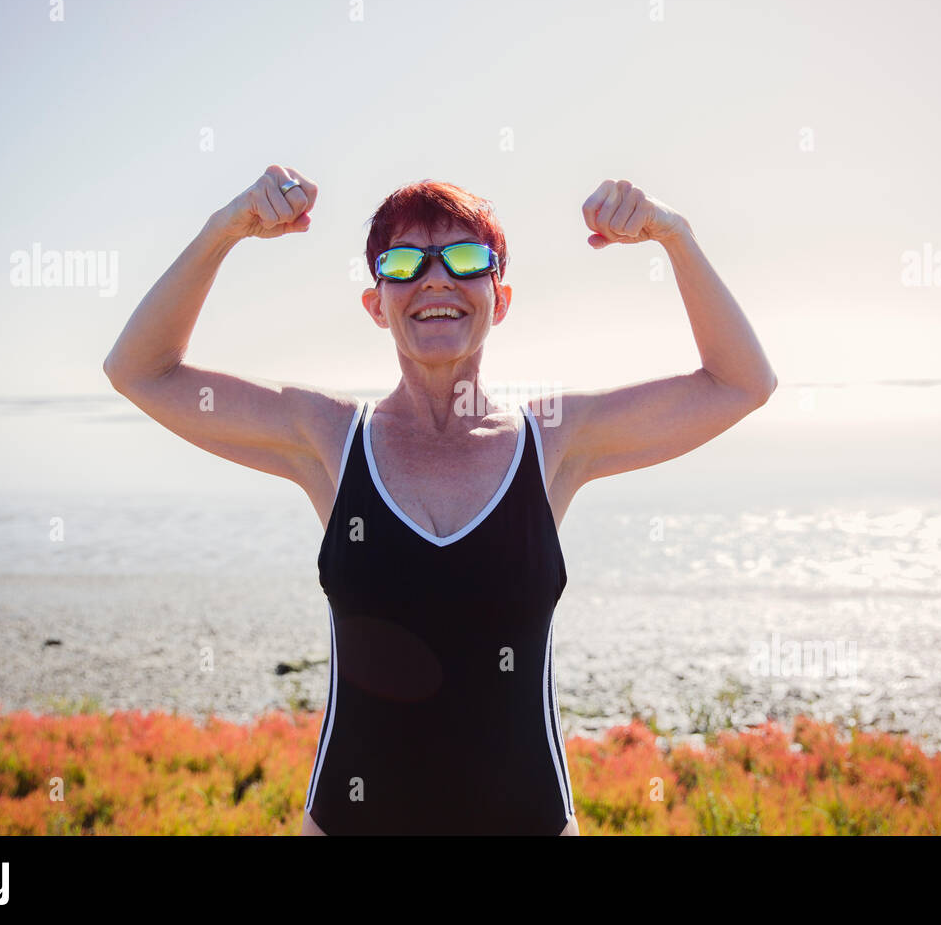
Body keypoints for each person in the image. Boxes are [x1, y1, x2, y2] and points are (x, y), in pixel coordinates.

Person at [102, 165, 777, 835]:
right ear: (376, 304)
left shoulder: (555, 441)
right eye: (403, 262)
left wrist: (675, 236)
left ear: (500, 298)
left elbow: (739, 383)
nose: (435, 278)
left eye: (463, 258)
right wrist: (227, 229)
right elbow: (140, 370)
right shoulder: (331, 439)